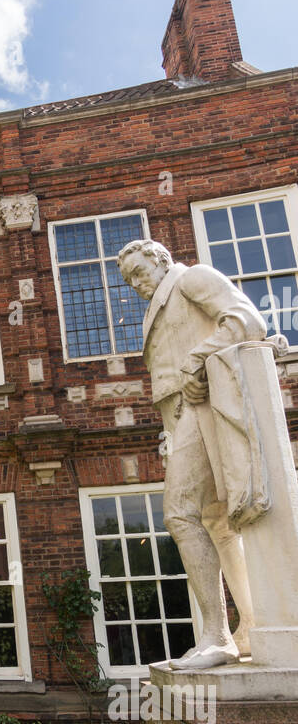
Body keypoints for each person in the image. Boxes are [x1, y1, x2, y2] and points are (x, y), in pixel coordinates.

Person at [116, 238, 270, 671]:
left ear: (161, 259)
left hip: (200, 407)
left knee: (180, 513)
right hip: (178, 416)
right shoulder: (159, 304)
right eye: (128, 280)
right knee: (216, 521)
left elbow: (246, 320)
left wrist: (198, 360)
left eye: (139, 272)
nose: (135, 283)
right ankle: (249, 624)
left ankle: (217, 636)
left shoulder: (191, 279)